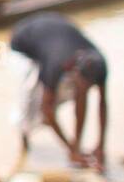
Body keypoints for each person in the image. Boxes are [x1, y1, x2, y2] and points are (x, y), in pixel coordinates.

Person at [9, 11, 108, 172]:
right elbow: (46, 108)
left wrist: (100, 145)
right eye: (81, 86)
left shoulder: (100, 64)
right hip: (22, 41)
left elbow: (102, 105)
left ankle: (74, 143)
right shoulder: (56, 63)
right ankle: (25, 141)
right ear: (74, 71)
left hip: (55, 28)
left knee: (70, 96)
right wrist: (70, 149)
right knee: (29, 99)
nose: (83, 92)